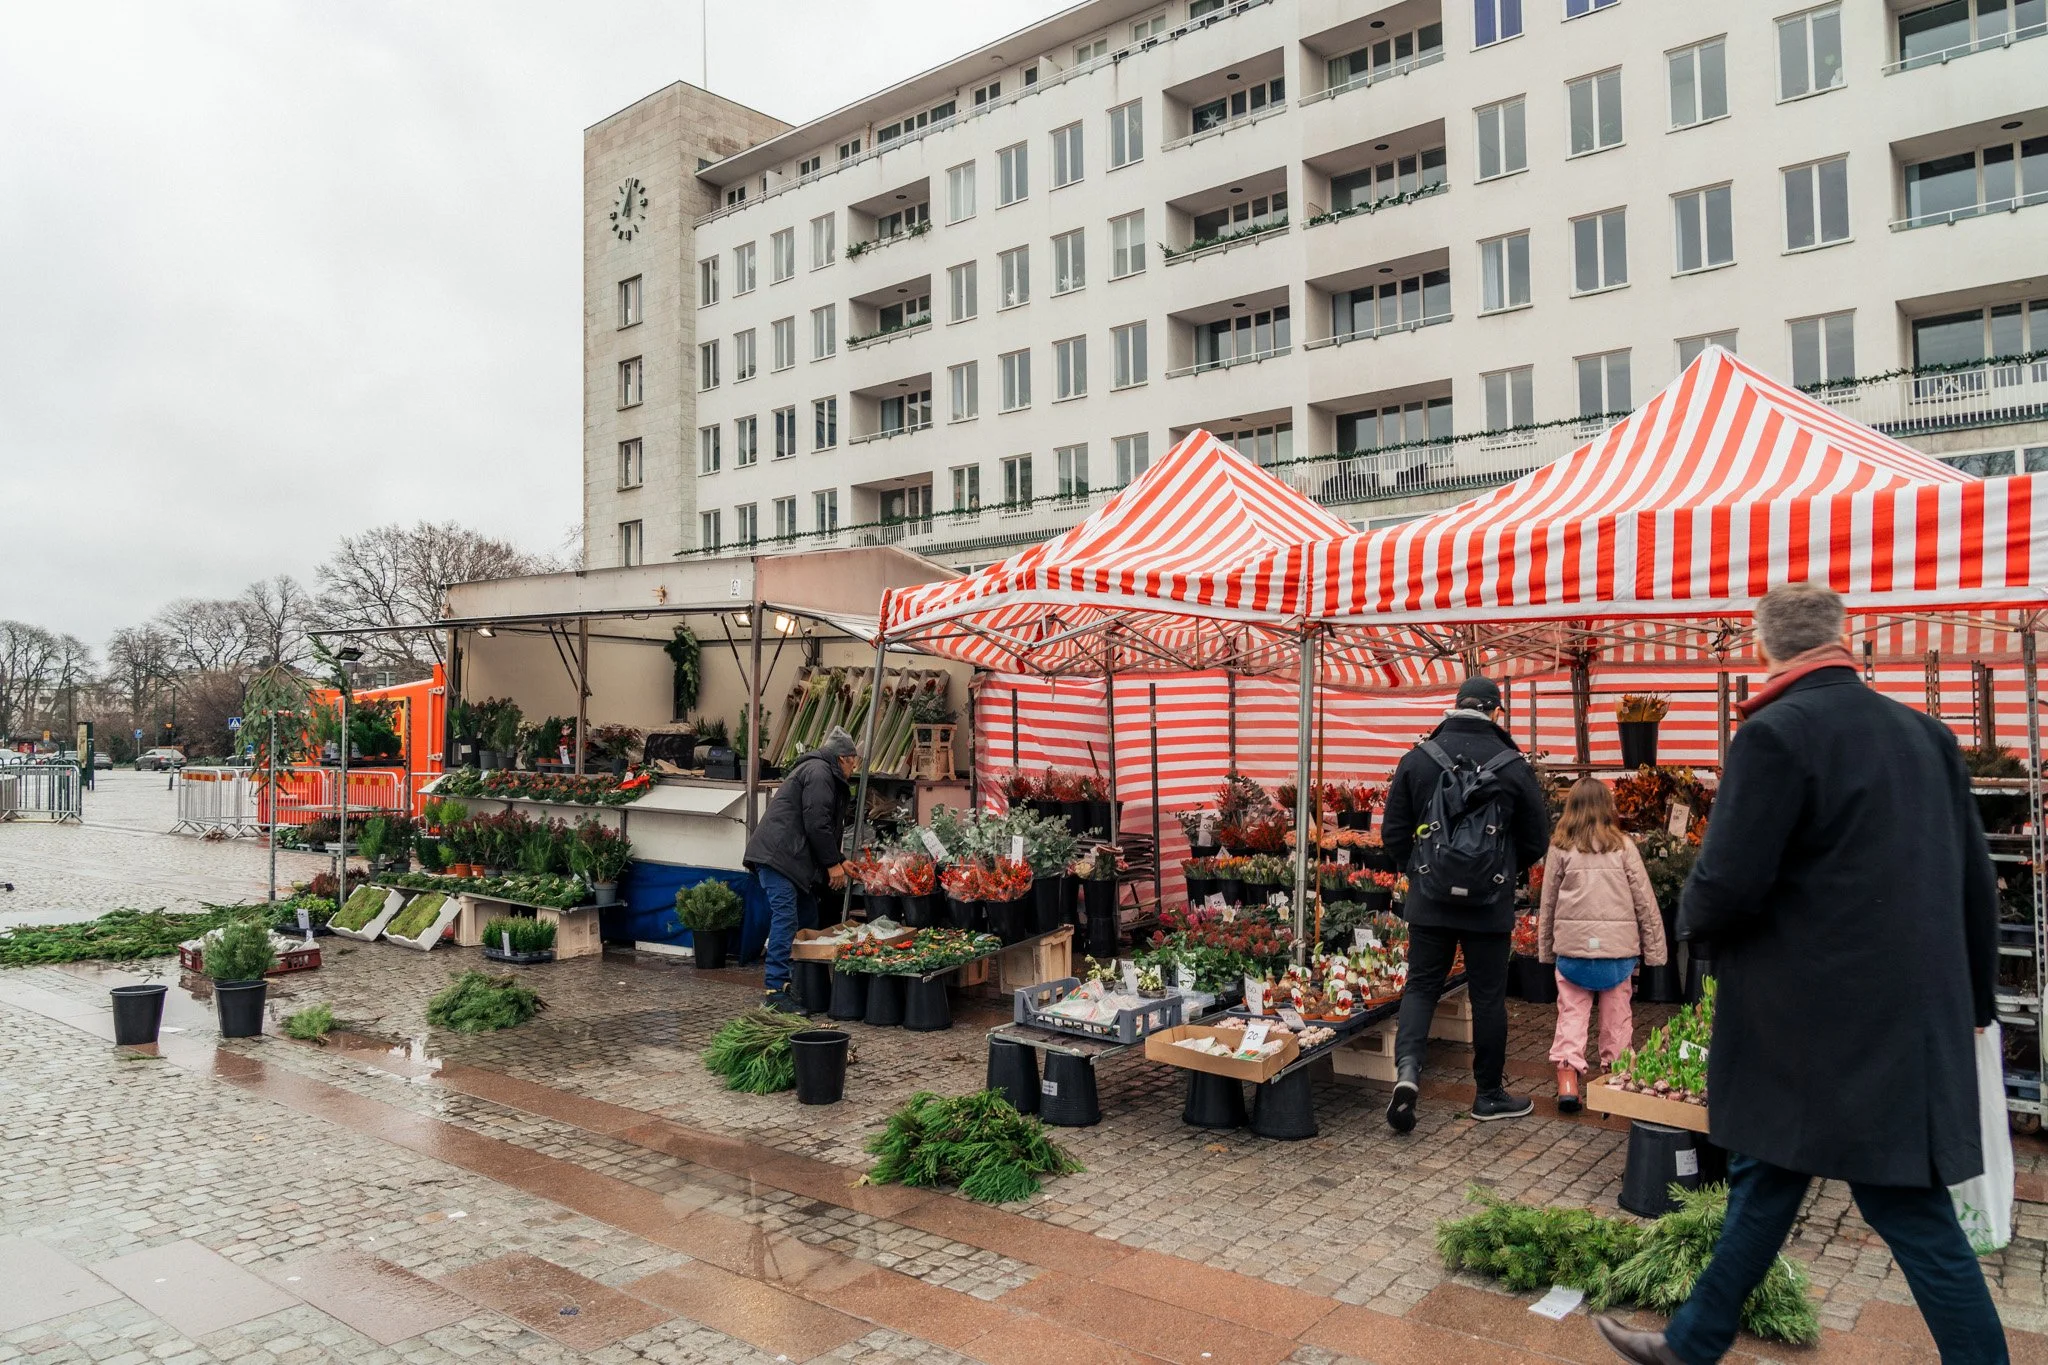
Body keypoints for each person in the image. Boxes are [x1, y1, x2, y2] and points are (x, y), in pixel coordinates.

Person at [1594, 583, 2003, 1365]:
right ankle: (1692, 1340)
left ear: (1762, 645)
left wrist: (1690, 931)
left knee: (1904, 1209)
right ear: (1846, 639)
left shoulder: (1775, 734)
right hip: (1904, 1021)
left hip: (1811, 1024)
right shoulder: (1929, 735)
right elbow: (1975, 882)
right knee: (1767, 1177)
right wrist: (1978, 999)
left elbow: (1729, 880)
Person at [1381, 675, 1552, 1130]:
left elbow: (1392, 834)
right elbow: (1538, 839)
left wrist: (1421, 871)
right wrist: (1502, 871)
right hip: (1488, 906)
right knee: (1488, 998)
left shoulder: (1418, 760)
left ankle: (1408, 1075)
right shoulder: (1514, 766)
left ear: (1454, 707)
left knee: (1420, 987)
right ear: (1496, 712)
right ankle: (1489, 1095)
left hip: (1429, 902)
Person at [1537, 778, 1666, 1114]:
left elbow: (1547, 904)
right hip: (1617, 953)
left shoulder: (1560, 847)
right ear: (1607, 807)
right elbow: (1645, 903)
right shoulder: (1623, 846)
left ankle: (1568, 1080)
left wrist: (1546, 950)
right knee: (1617, 1017)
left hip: (1573, 953)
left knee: (1572, 1015)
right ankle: (1617, 1076)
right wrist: (1655, 952)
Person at [743, 725, 859, 1014]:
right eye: (854, 762)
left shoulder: (820, 772)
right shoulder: (820, 774)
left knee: (808, 917)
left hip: (790, 860)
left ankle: (800, 984)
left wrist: (840, 858)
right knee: (786, 917)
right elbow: (816, 824)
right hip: (779, 858)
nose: (854, 769)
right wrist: (832, 865)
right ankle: (775, 989)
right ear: (843, 758)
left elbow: (821, 828)